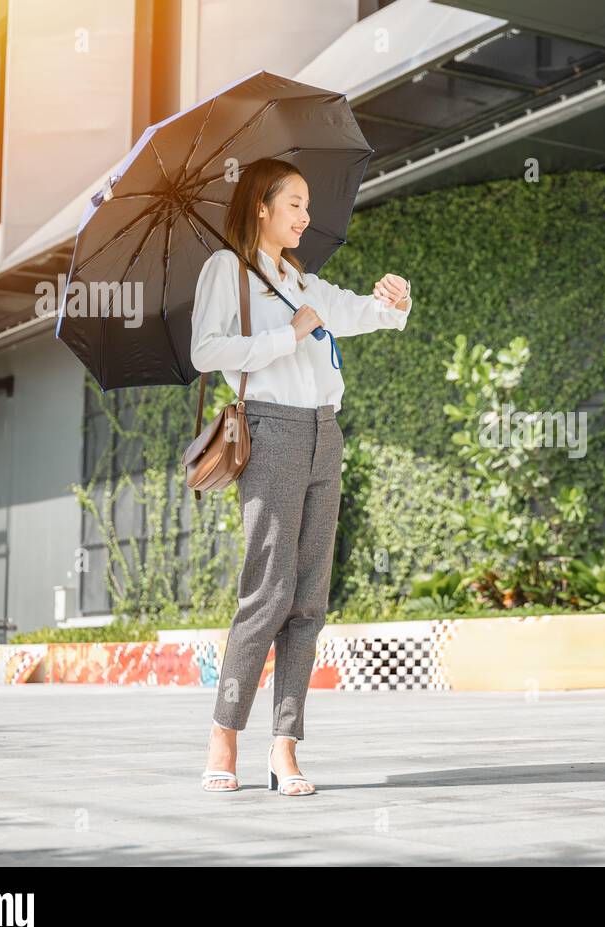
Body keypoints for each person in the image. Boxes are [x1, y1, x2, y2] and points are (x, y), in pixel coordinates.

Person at [190, 158, 412, 795]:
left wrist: (390, 303)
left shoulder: (304, 281)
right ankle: (224, 734)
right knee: (268, 591)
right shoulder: (226, 272)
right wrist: (286, 337)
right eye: (295, 204)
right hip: (270, 430)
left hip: (324, 435)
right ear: (260, 205)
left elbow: (359, 312)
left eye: (307, 205)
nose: (306, 217)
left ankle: (284, 744)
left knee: (309, 598)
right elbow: (207, 350)